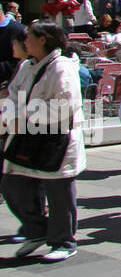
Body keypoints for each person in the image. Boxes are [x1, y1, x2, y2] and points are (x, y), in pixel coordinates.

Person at [1, 22, 85, 262]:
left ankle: (64, 241)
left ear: (43, 40)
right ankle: (36, 230)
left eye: (29, 37)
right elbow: (11, 95)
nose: (24, 41)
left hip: (56, 139)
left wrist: (24, 113)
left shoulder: (62, 67)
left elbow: (65, 105)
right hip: (27, 136)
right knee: (12, 184)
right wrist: (12, 116)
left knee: (59, 192)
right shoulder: (26, 66)